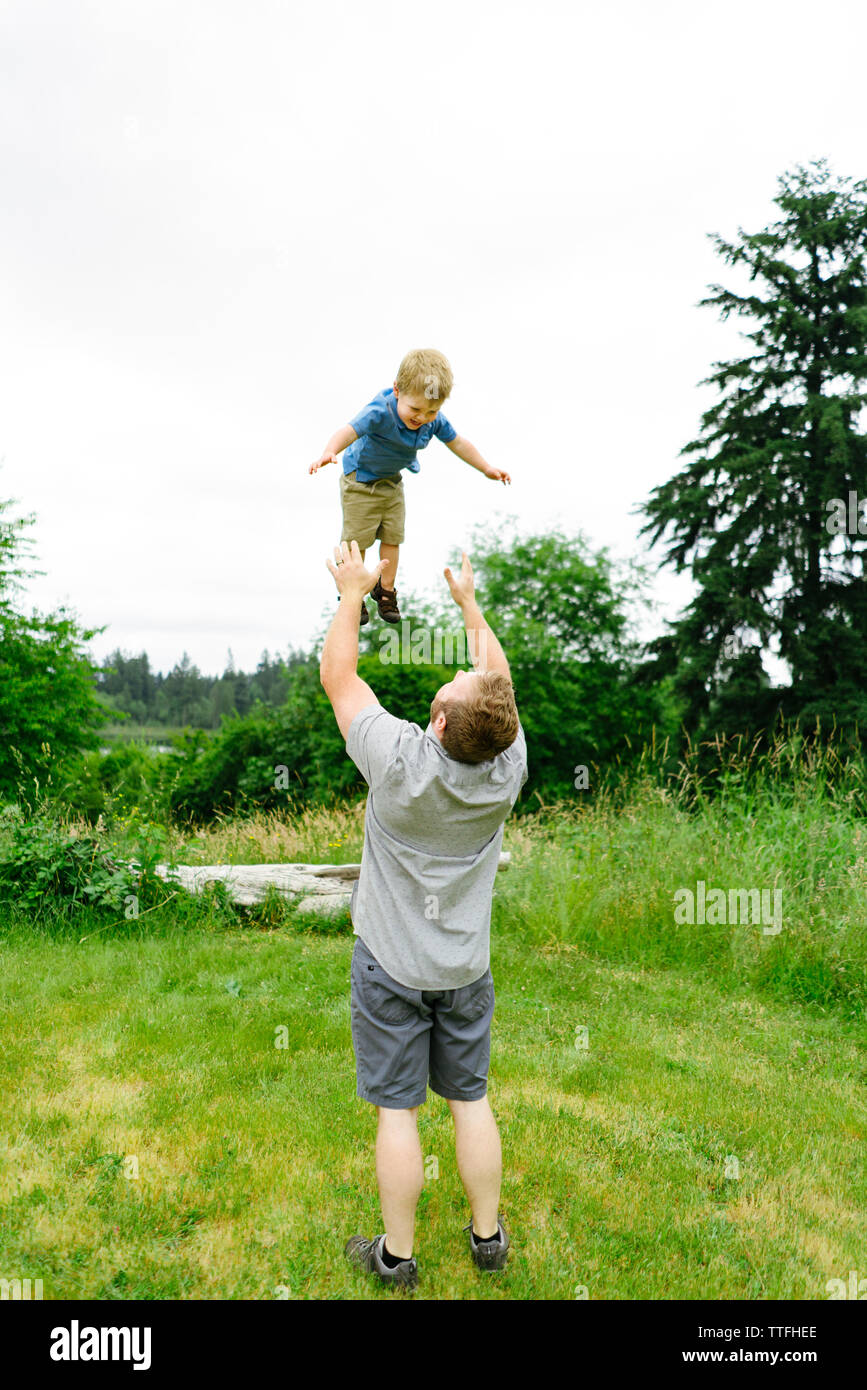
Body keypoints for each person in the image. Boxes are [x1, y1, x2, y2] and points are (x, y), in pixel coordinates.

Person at [319, 541, 528, 1291]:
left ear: (438, 723)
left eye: (456, 679)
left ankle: (398, 1259)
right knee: (469, 1099)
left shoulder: (399, 760)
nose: (466, 673)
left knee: (398, 1112)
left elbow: (338, 678)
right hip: (463, 969)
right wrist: (470, 607)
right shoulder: (506, 768)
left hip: (390, 966)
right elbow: (494, 683)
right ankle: (487, 1239)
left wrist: (352, 592)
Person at [309, 348, 510, 625]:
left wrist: (486, 467)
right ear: (397, 391)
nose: (422, 417)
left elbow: (458, 443)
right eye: (415, 409)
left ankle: (385, 590)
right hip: (360, 480)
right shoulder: (380, 411)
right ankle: (351, 592)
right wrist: (329, 451)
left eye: (432, 411)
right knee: (358, 541)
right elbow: (348, 430)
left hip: (392, 482)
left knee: (393, 537)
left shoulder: (433, 419)